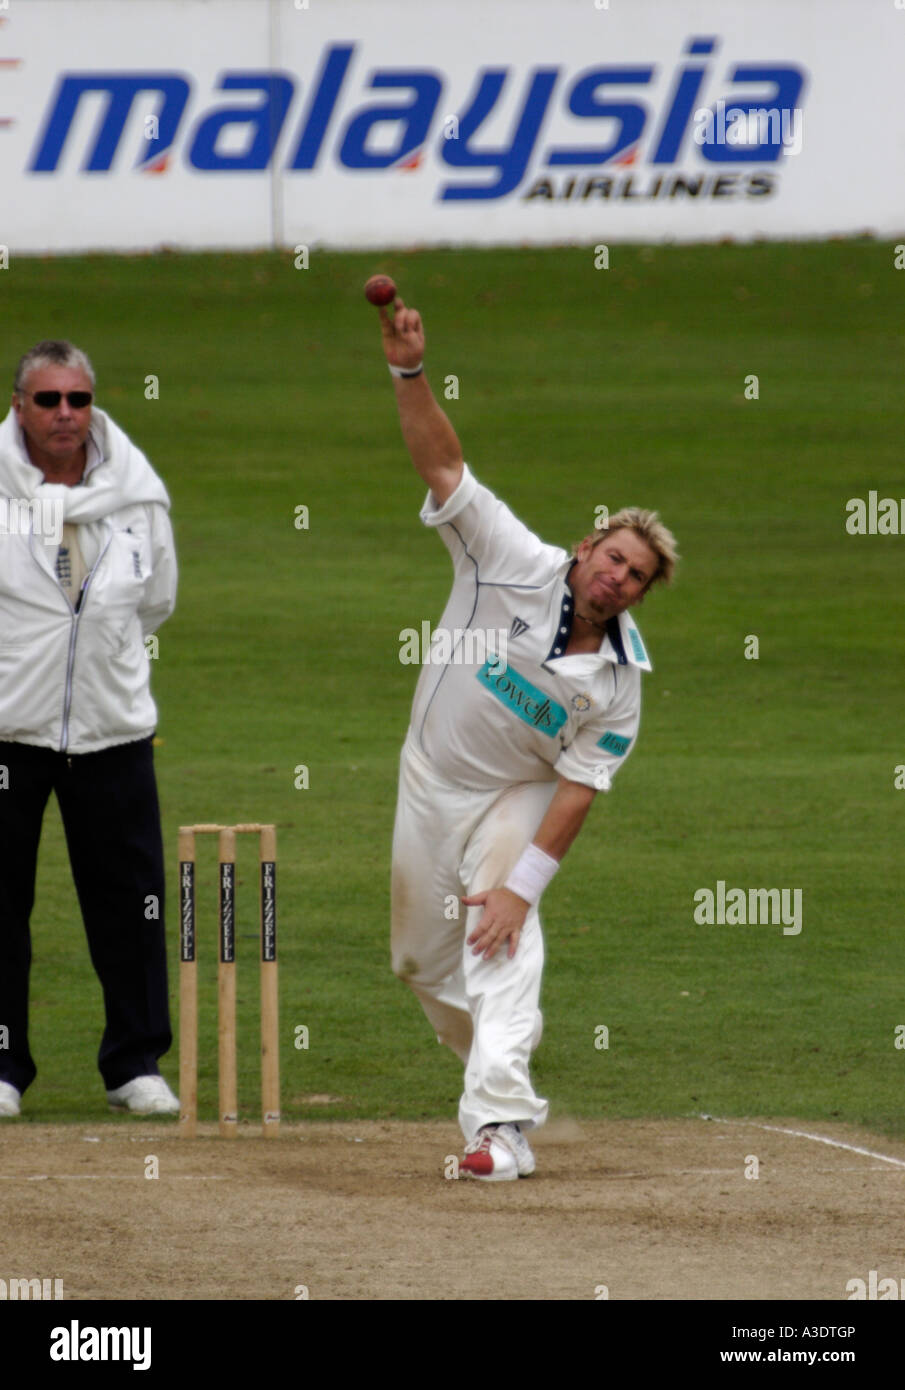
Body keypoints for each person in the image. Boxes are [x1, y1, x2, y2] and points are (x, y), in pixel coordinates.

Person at [380, 300, 678, 1180]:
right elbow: (443, 464)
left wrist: (520, 890)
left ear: (639, 593)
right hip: (430, 777)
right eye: (613, 558)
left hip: (520, 793)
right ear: (586, 548)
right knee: (417, 961)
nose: (617, 578)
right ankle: (501, 1073)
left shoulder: (621, 684)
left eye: (636, 576)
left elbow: (580, 787)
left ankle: (498, 1126)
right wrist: (407, 370)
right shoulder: (508, 557)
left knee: (498, 931)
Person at [0, 340, 179, 1119]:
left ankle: (134, 1064)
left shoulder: (135, 493)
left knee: (130, 901)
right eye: (48, 401)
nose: (65, 414)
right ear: (20, 408)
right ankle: (2, 1069)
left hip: (111, 729)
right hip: (8, 730)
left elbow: (158, 599)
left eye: (78, 399)